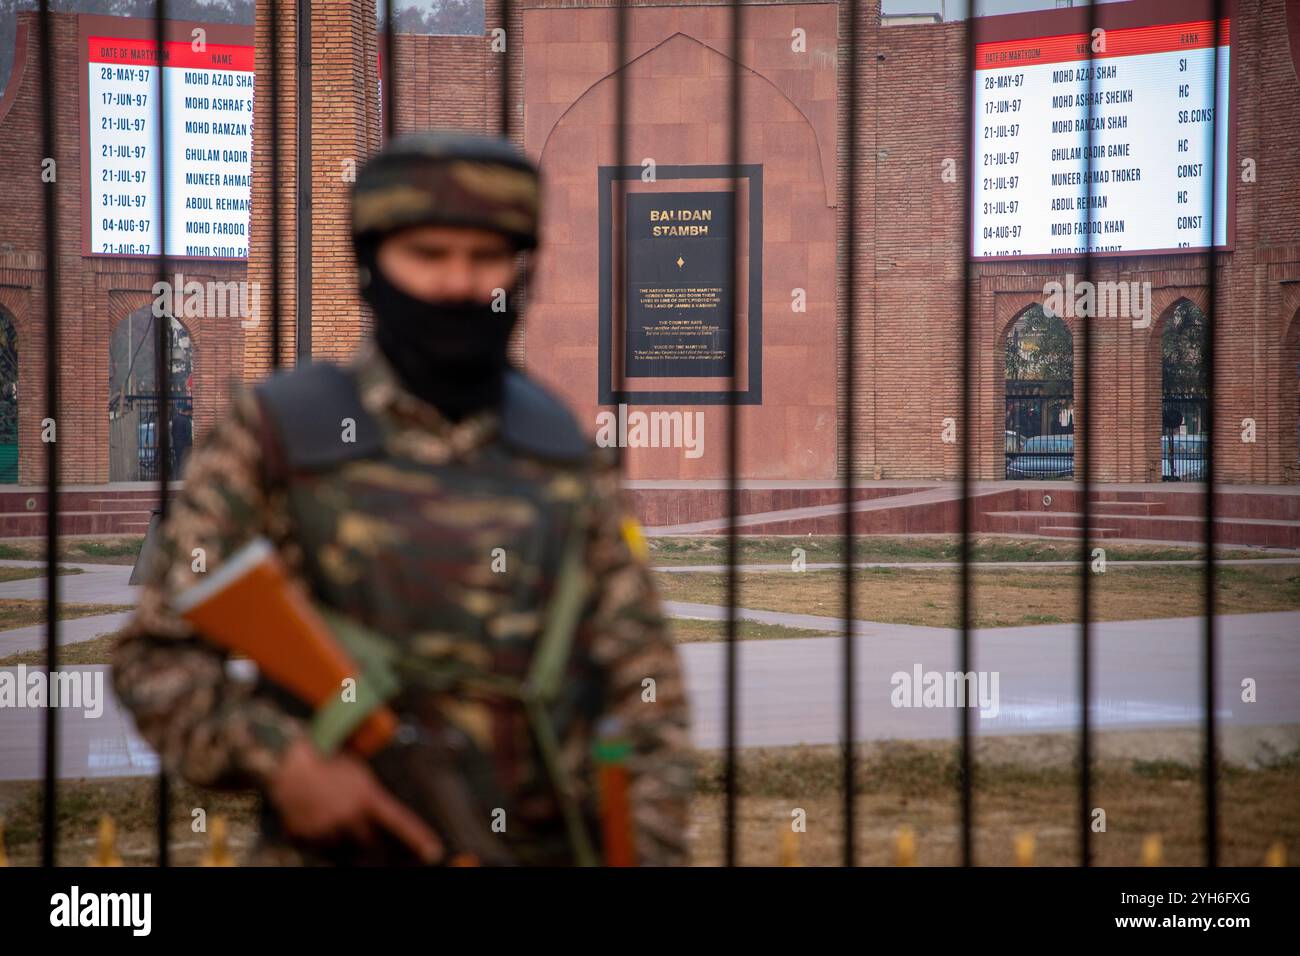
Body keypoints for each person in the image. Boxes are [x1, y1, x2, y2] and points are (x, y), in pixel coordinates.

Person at [111, 130, 694, 866]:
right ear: (371, 267)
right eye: (427, 255)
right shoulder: (281, 435)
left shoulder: (565, 455)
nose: (458, 283)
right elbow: (155, 659)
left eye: (486, 258)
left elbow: (647, 695)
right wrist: (286, 762)